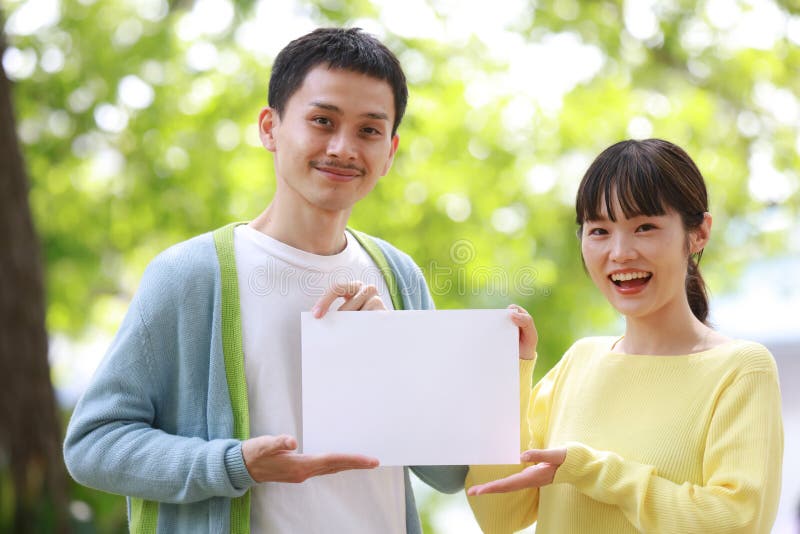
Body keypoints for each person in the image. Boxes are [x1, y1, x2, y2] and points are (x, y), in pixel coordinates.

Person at [64, 27, 466, 534]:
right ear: (270, 128)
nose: (343, 148)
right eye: (322, 121)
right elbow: (92, 444)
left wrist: (390, 364)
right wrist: (235, 464)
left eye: (369, 130)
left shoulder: (398, 276)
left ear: (390, 151)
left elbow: (449, 473)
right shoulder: (191, 275)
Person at [465, 138, 783, 533]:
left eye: (644, 227)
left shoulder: (740, 370)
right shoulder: (579, 362)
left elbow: (736, 523)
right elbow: (500, 516)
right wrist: (504, 377)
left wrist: (595, 471)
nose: (620, 252)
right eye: (599, 231)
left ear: (699, 232)